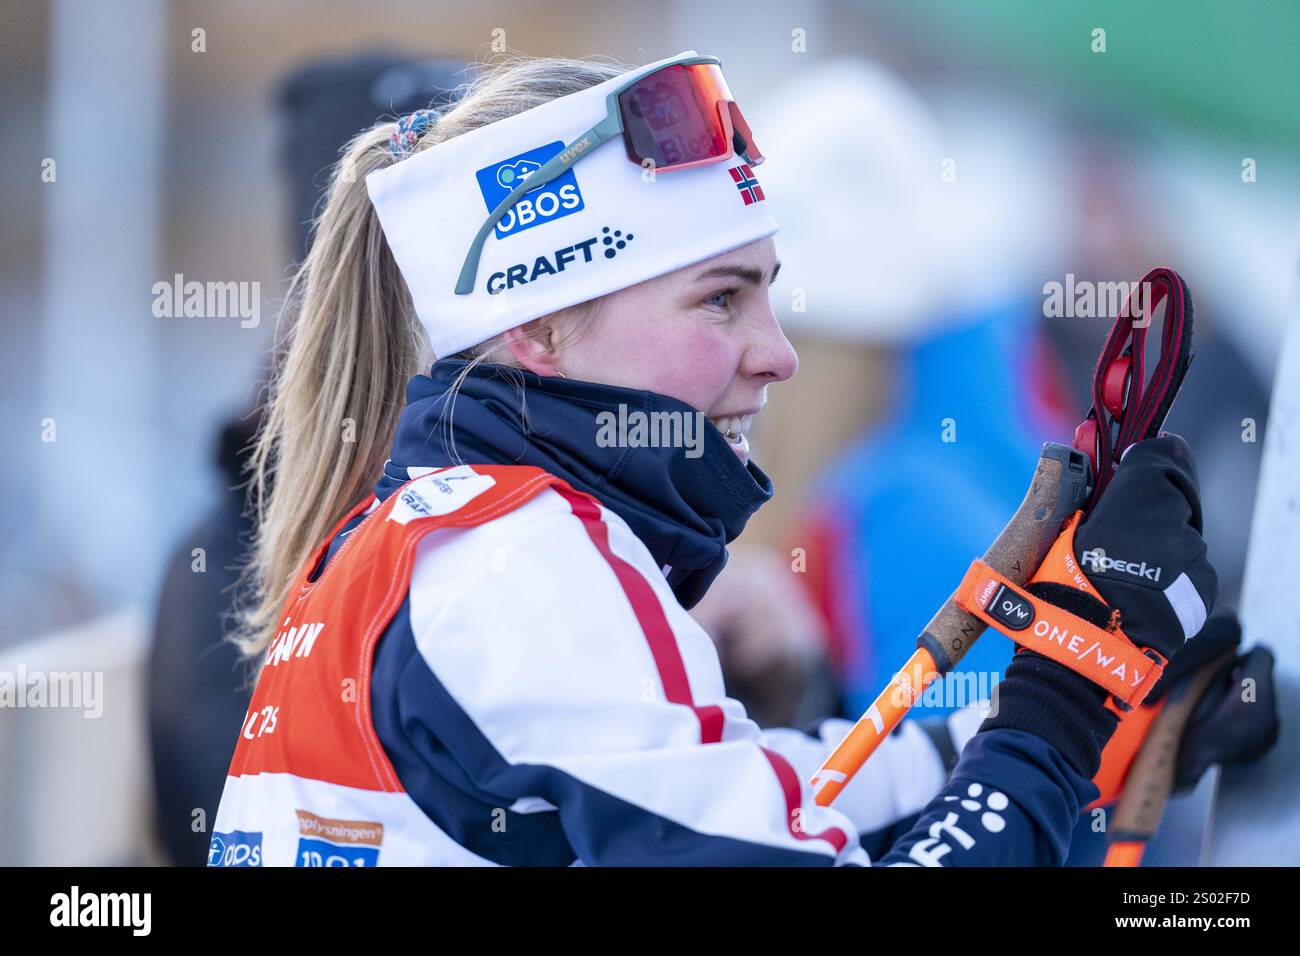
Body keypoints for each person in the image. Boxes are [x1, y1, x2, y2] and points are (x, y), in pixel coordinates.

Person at [210, 51, 1218, 867]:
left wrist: (1105, 717)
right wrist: (1063, 694)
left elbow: (779, 798)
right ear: (543, 328)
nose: (776, 353)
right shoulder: (515, 563)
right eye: (719, 299)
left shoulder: (430, 534)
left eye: (769, 295)